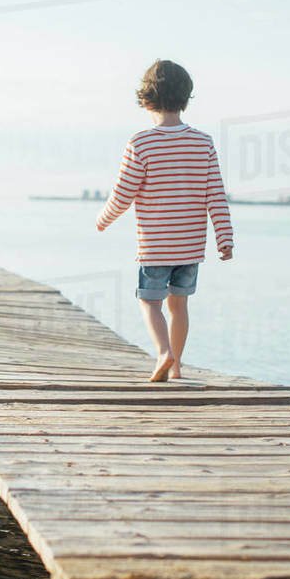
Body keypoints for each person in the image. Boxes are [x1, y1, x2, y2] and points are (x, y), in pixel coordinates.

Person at [96, 60, 233, 381]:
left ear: (146, 98)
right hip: (189, 248)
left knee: (149, 302)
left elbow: (123, 194)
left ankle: (163, 353)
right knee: (179, 307)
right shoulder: (203, 143)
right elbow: (216, 195)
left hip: (156, 247)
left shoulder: (141, 143)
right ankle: (178, 367)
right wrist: (225, 239)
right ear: (186, 98)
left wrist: (103, 220)